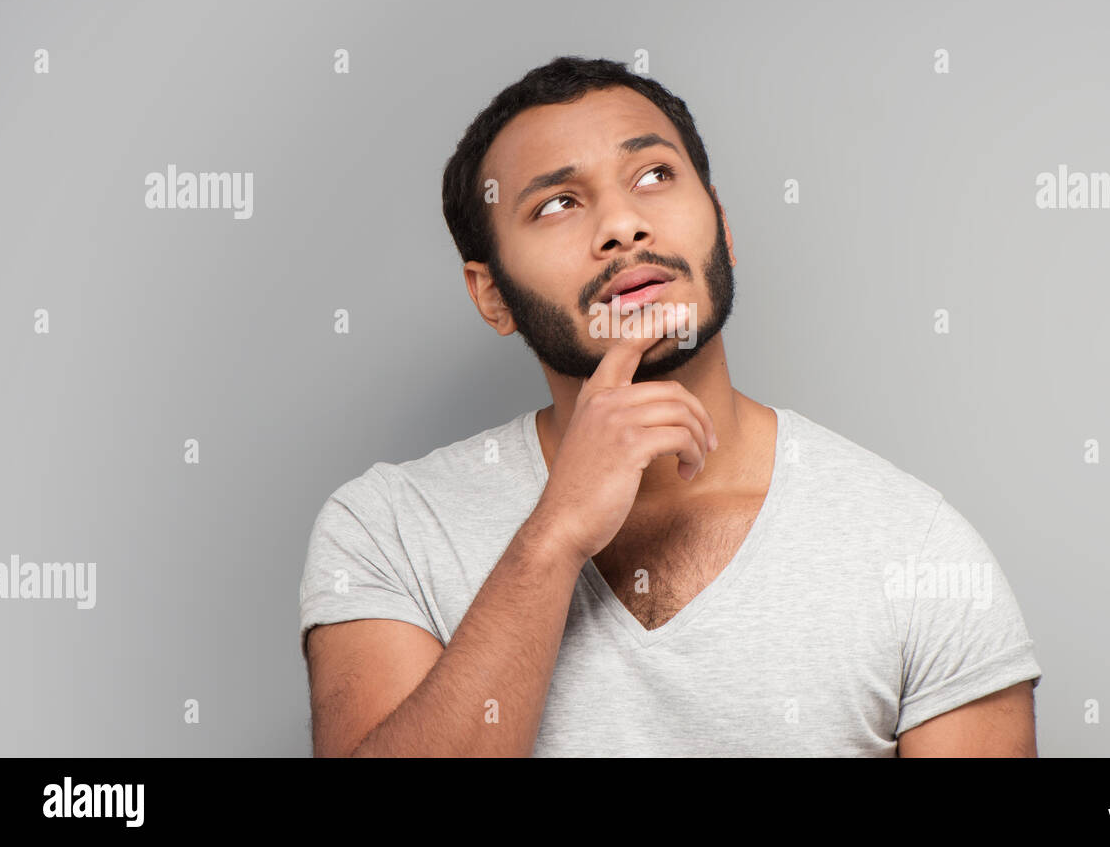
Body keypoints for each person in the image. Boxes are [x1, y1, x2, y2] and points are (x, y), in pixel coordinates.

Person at [298, 56, 1042, 757]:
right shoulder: (388, 528)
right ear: (491, 294)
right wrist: (554, 536)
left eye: (654, 174)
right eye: (558, 203)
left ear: (723, 227)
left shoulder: (915, 546)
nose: (623, 225)